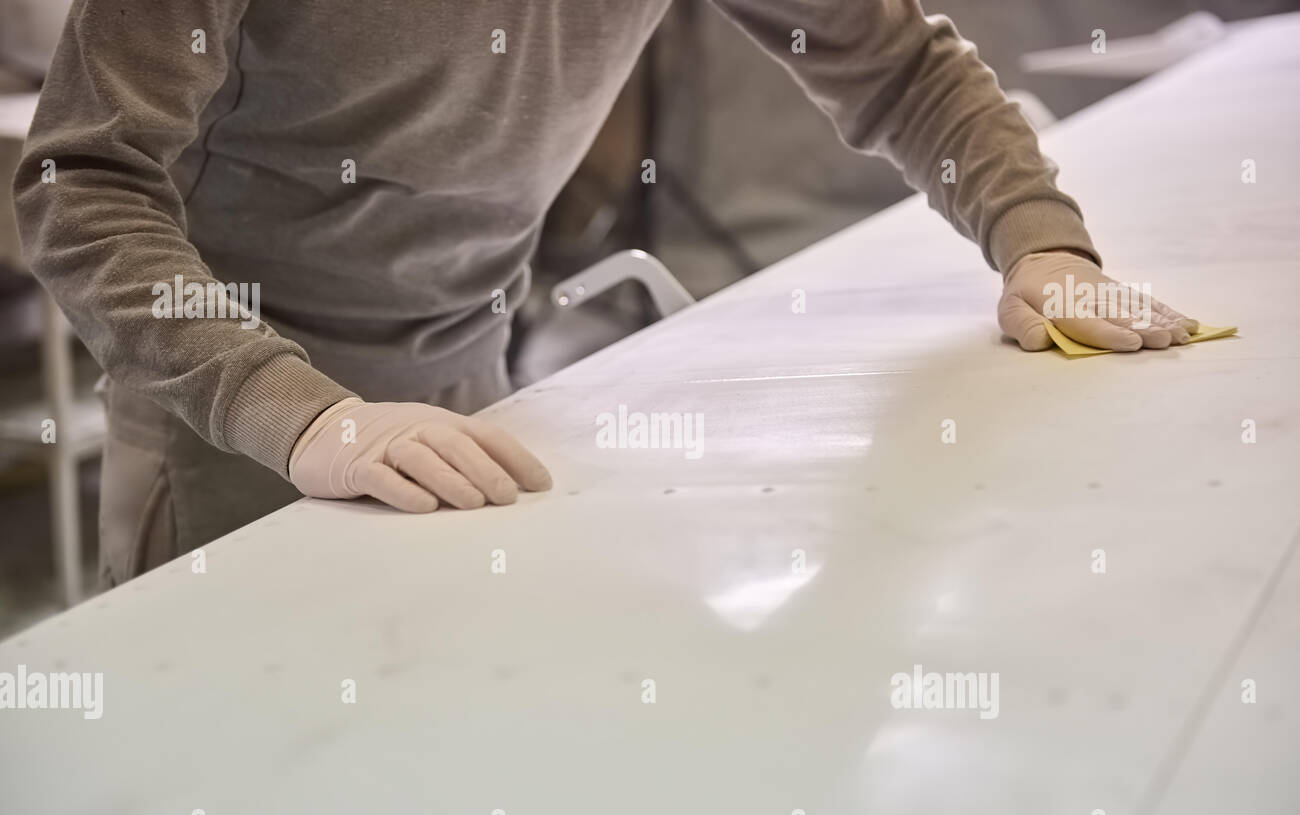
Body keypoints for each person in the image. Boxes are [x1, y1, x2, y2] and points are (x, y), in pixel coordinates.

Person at [13, 0, 1196, 588]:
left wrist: (1041, 248)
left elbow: (895, 63)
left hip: (478, 405)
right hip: (236, 439)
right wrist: (303, 415)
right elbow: (81, 180)